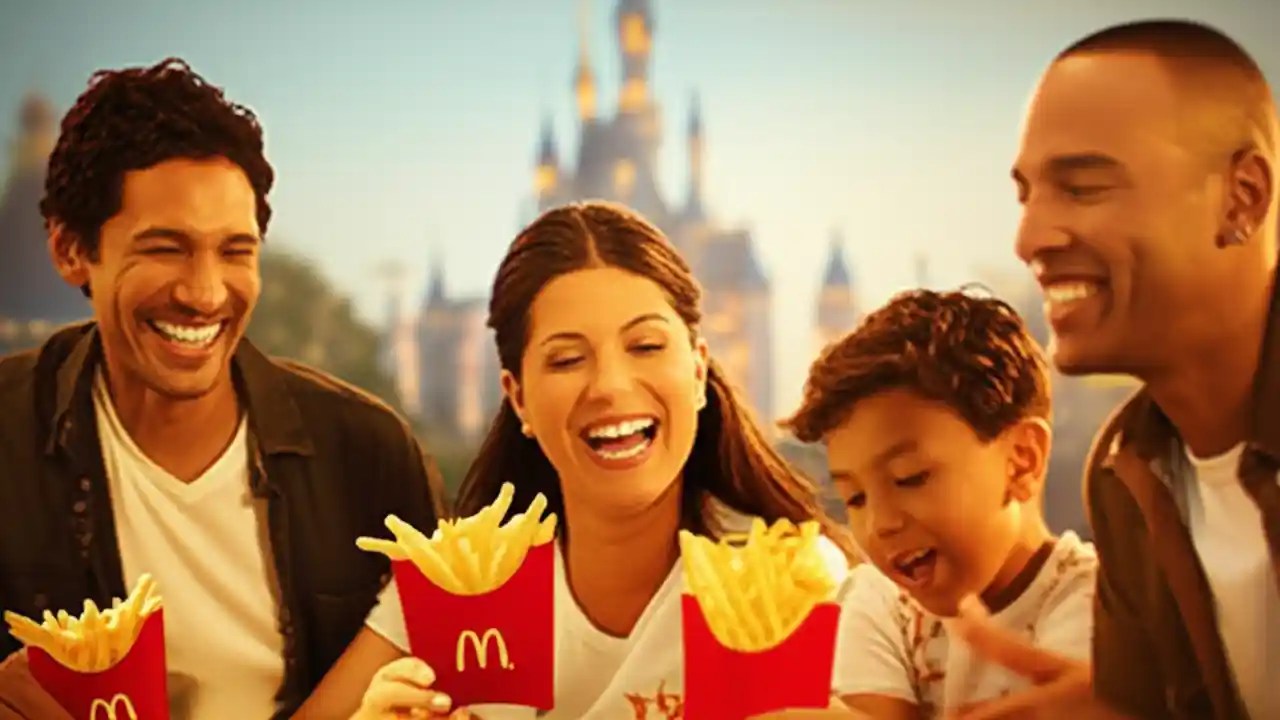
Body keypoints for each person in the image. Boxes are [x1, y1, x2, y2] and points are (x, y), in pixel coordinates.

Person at [0, 58, 445, 719]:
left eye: (235, 251)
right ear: (70, 250)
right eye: (165, 248)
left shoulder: (368, 453)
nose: (205, 292)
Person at [296, 200, 855, 719]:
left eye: (646, 347)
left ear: (699, 371)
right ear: (518, 398)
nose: (611, 385)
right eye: (566, 360)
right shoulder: (461, 584)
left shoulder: (790, 584)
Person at [955, 19, 1280, 720]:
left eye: (1084, 188)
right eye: (1027, 195)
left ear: (1242, 197)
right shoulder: (1126, 472)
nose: (1030, 238)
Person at [755, 289, 1096, 720]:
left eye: (909, 478)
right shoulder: (881, 601)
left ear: (1020, 460)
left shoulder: (1096, 605)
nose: (880, 524)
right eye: (854, 499)